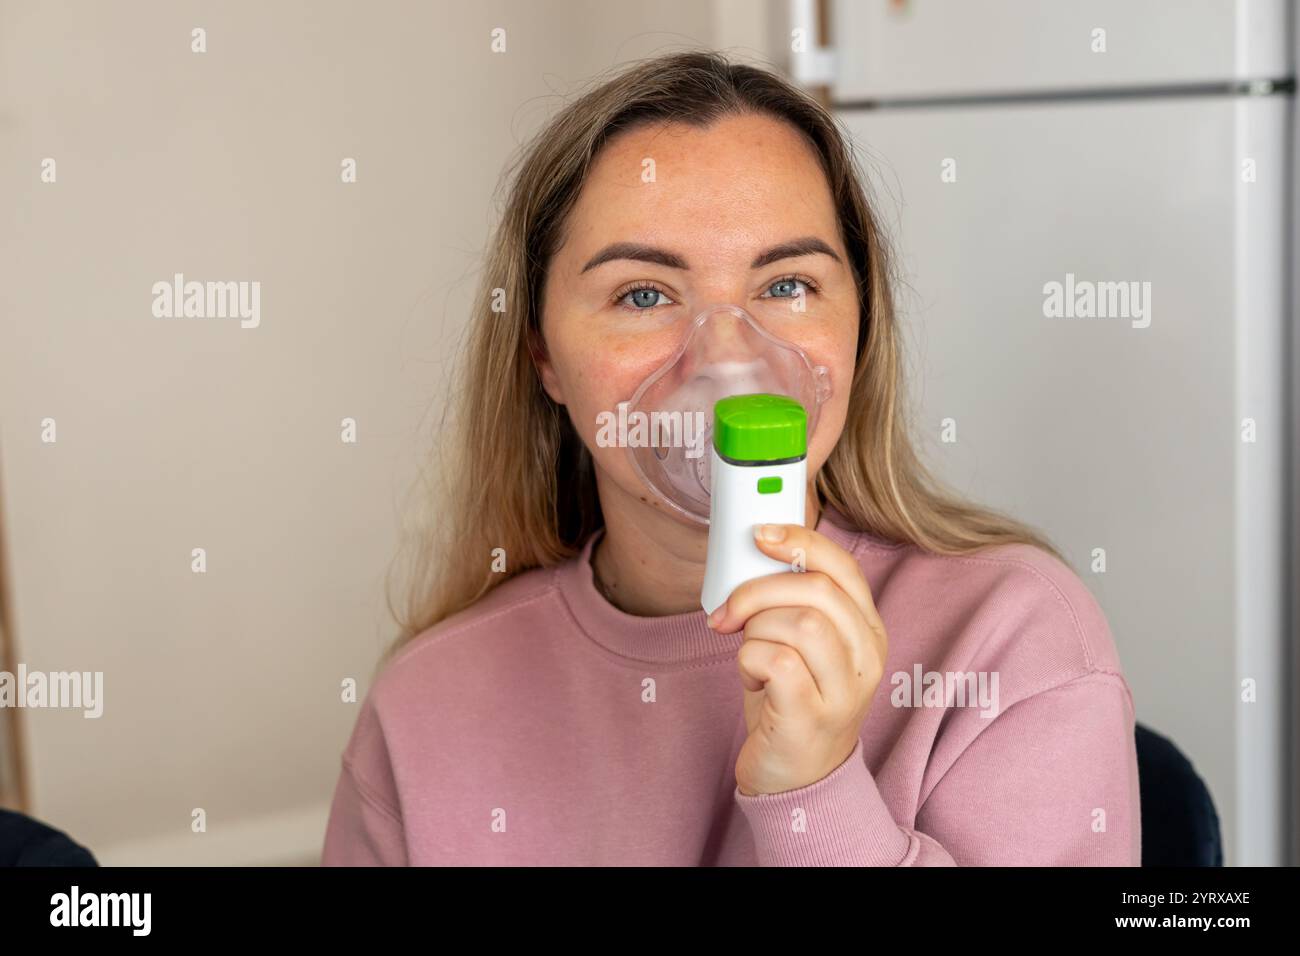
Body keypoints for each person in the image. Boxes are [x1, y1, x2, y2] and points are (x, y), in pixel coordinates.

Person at [321, 49, 1140, 866]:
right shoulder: (426, 703)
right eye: (643, 294)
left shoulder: (1007, 641)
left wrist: (814, 791)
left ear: (860, 323)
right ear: (542, 355)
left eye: (786, 285)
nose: (728, 359)